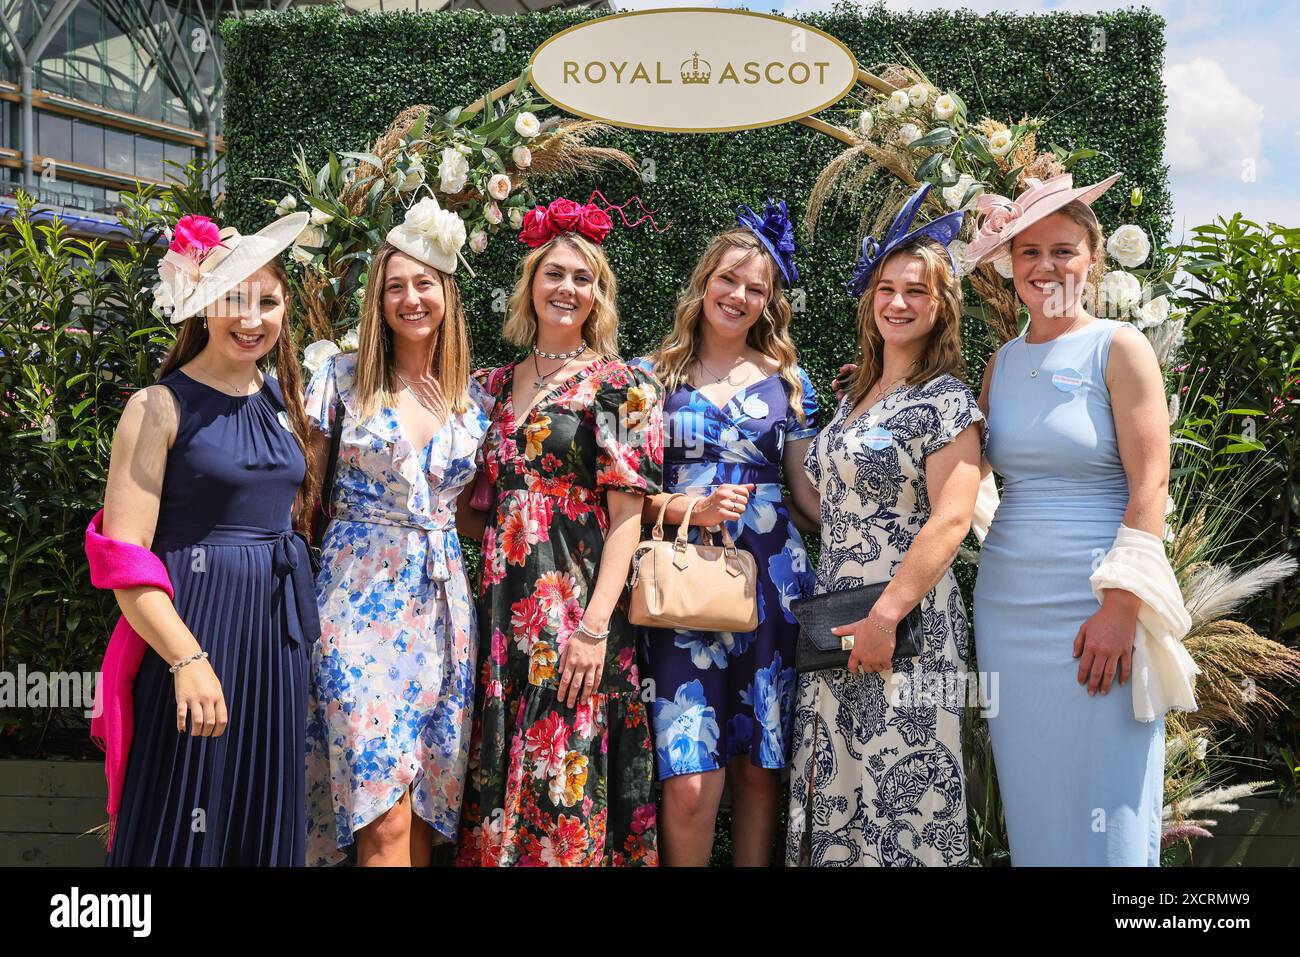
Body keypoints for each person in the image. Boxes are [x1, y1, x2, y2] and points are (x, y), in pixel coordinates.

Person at [88, 211, 320, 865]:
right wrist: (187, 660)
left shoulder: (284, 402)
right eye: (233, 299)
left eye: (267, 301)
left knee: (260, 814)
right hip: (195, 634)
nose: (252, 318)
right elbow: (124, 559)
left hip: (275, 641)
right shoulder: (157, 405)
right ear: (204, 305)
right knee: (182, 814)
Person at [965, 173, 1173, 865]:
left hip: (1096, 603)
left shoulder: (1120, 348)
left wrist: (1120, 604)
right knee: (1033, 796)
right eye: (1029, 252)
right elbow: (969, 473)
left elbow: (1151, 485)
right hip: (1008, 606)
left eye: (1062, 250)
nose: (1045, 266)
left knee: (1109, 802)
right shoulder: (1001, 362)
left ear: (1091, 259)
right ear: (1009, 265)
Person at [456, 194, 665, 867]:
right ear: (531, 284)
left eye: (583, 277)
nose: (567, 288)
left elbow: (630, 516)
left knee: (565, 783)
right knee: (500, 782)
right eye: (554, 274)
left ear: (598, 295)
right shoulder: (487, 385)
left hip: (576, 615)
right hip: (499, 616)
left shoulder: (623, 386)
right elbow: (467, 502)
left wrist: (595, 627)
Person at [786, 185, 984, 867]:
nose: (898, 302)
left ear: (941, 307)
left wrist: (886, 615)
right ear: (870, 300)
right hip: (835, 624)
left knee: (908, 808)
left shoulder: (946, 400)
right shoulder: (852, 396)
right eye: (887, 289)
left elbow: (953, 517)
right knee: (843, 794)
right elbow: (832, 507)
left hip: (909, 625)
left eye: (917, 292)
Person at [303, 196, 492, 866]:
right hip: (355, 601)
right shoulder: (339, 380)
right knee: (378, 814)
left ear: (447, 293)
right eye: (395, 287)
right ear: (378, 300)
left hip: (443, 609)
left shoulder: (476, 401)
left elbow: (471, 511)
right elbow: (303, 496)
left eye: (424, 284)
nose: (411, 299)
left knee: (419, 815)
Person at [634, 198, 820, 866]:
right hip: (680, 590)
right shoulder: (649, 380)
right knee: (686, 783)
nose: (739, 295)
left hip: (772, 585)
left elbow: (807, 502)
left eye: (756, 287)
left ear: (769, 302)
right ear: (704, 282)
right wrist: (689, 509)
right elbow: (622, 502)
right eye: (728, 280)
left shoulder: (791, 384)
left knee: (759, 766)